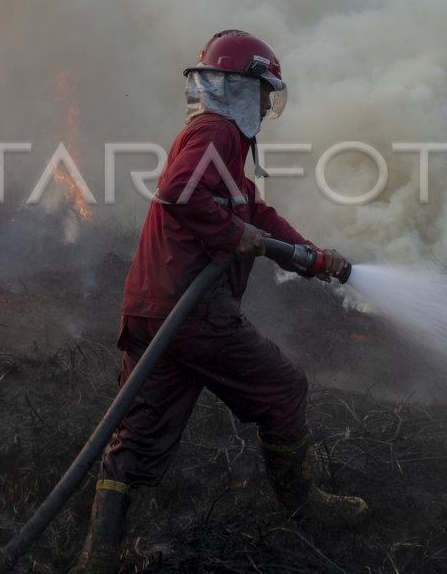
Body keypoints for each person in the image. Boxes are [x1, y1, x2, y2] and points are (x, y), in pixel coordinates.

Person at [70, 30, 367, 573]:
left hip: (152, 309)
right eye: (260, 91)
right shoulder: (216, 132)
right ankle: (303, 507)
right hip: (194, 313)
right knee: (284, 388)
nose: (263, 104)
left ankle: (98, 560)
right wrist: (233, 234)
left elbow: (258, 217)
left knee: (137, 433)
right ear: (237, 86)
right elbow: (179, 190)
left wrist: (314, 257)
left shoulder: (220, 144)